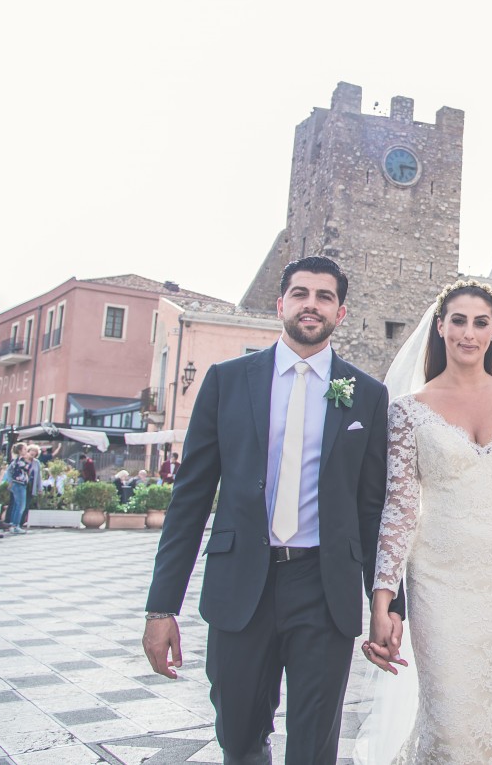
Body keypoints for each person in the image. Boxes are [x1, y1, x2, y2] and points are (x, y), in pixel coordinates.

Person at [143, 257, 403, 765]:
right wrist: (161, 607)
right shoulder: (227, 381)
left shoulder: (367, 396)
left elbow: (374, 510)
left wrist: (388, 605)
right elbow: (189, 502)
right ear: (280, 304)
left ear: (341, 312)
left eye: (324, 296)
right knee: (238, 737)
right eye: (301, 293)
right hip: (241, 586)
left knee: (313, 745)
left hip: (324, 588)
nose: (312, 304)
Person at [364, 278, 492, 763]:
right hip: (439, 580)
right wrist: (382, 600)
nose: (468, 333)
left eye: (480, 323)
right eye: (458, 321)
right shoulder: (408, 412)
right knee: (450, 718)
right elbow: (399, 509)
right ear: (441, 327)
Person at [5, 444, 32, 534]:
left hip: (18, 484)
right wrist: (28, 460)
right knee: (21, 506)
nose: (26, 451)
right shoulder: (20, 460)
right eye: (25, 449)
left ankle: (12, 525)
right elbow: (26, 468)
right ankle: (16, 525)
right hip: (19, 484)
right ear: (20, 451)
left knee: (17, 505)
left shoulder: (15, 460)